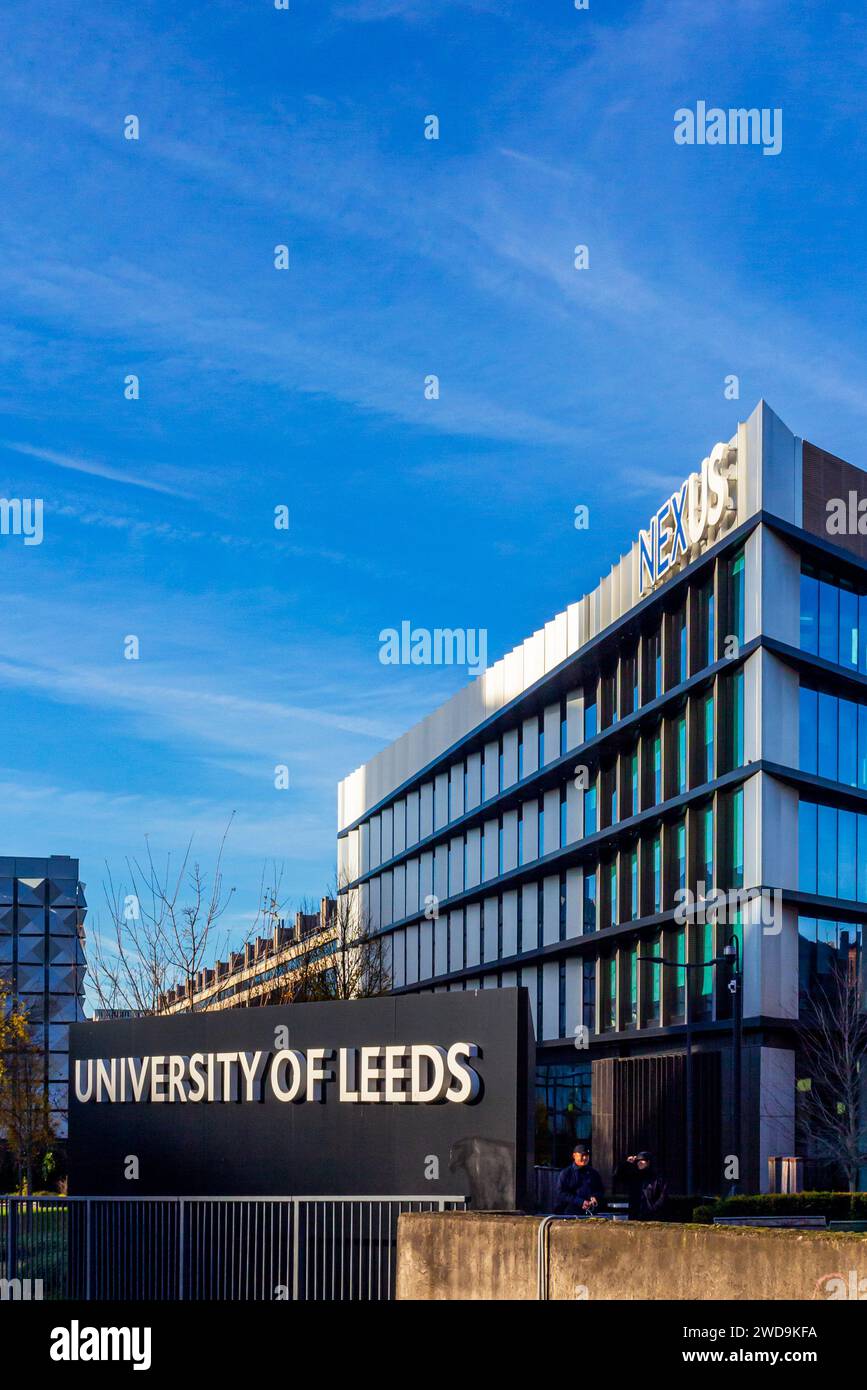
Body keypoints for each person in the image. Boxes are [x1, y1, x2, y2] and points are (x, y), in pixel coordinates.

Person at [614, 1150, 668, 1220]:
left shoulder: (658, 1178)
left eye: (642, 1160)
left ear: (648, 1162)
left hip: (652, 1216)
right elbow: (617, 1177)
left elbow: (663, 1196)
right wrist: (626, 1163)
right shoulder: (634, 1177)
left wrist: (653, 1209)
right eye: (638, 1161)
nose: (639, 1163)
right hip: (635, 1215)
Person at [554, 1142, 605, 1216]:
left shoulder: (593, 1173)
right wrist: (580, 1202)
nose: (585, 1158)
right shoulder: (566, 1173)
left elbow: (600, 1190)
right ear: (574, 1155)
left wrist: (595, 1197)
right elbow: (561, 1193)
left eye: (587, 1155)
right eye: (582, 1155)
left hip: (590, 1213)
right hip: (569, 1214)